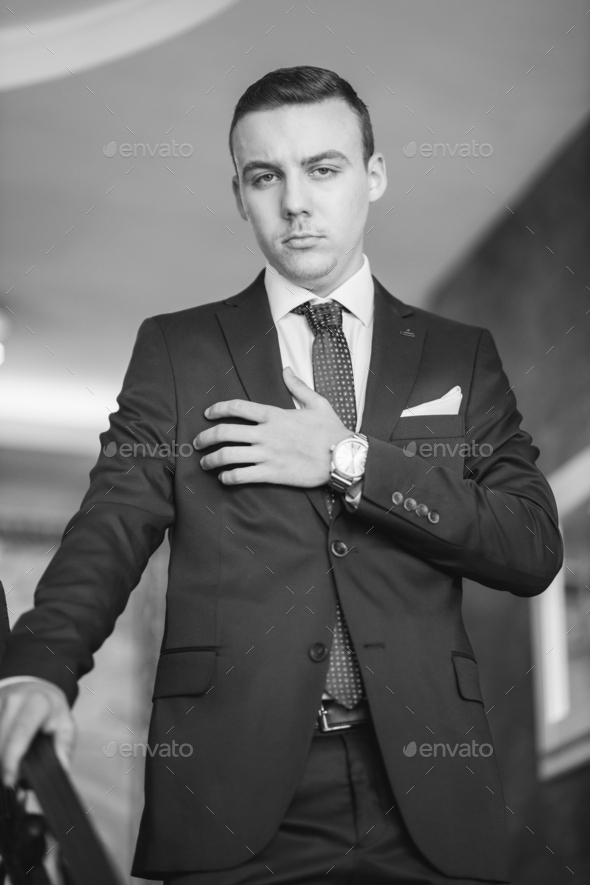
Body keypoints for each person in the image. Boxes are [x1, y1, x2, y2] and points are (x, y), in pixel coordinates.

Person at [0, 66, 562, 884]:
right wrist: (38, 666)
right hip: (235, 789)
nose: (294, 202)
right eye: (266, 176)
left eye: (323, 169)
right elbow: (111, 522)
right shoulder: (179, 350)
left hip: (430, 793)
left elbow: (531, 543)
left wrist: (347, 459)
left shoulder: (458, 356)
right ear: (240, 193)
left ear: (373, 176)